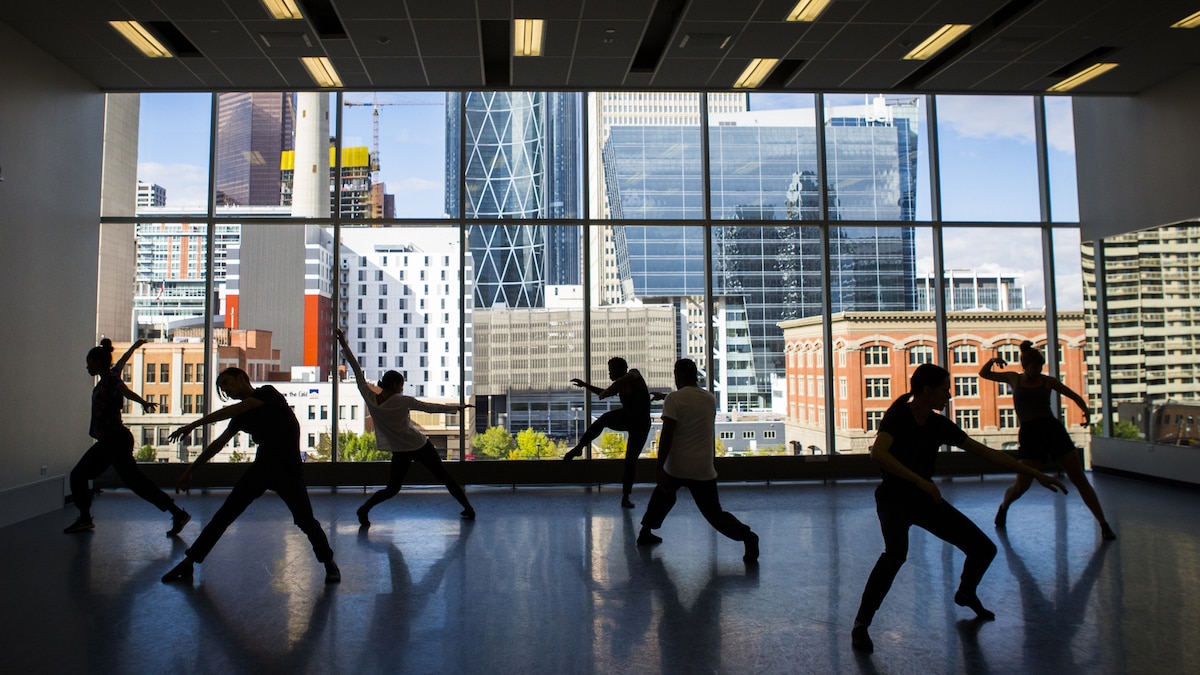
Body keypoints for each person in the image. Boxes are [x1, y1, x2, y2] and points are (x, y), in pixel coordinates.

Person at [850, 363, 1067, 654]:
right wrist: (920, 481)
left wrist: (1036, 474)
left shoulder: (939, 424)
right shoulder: (899, 414)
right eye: (944, 389)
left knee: (983, 548)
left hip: (926, 499)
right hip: (893, 498)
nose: (949, 395)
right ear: (927, 390)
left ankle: (965, 593)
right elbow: (878, 453)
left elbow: (986, 452)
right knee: (895, 555)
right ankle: (861, 625)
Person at [160, 367, 339, 584]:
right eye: (222, 388)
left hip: (288, 469)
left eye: (227, 383)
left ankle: (329, 563)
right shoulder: (241, 415)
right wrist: (190, 470)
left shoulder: (267, 393)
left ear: (242, 377)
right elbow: (218, 444)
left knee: (305, 520)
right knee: (225, 514)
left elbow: (238, 409)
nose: (226, 390)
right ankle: (189, 563)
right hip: (263, 467)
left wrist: (194, 424)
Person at [334, 329, 476, 527]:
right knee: (445, 477)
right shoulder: (402, 401)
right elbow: (430, 408)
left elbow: (356, 369)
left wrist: (344, 344)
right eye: (401, 385)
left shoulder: (369, 396)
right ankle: (468, 508)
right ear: (394, 385)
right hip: (419, 445)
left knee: (392, 489)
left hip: (399, 449)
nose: (402, 388)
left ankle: (364, 509)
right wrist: (456, 408)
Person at [980, 340, 1116, 541]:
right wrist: (992, 360)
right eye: (1033, 367)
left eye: (1039, 367)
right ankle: (1004, 507)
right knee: (1022, 485)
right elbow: (984, 374)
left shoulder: (1047, 382)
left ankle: (1103, 524)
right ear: (1024, 366)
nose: (1036, 371)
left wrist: (1085, 410)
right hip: (1030, 433)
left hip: (1052, 430)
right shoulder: (1014, 379)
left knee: (1078, 477)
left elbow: (1073, 395)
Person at [635, 358, 759, 563]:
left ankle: (645, 532)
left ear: (679, 375)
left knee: (662, 497)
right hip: (702, 467)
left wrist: (659, 467)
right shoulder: (709, 398)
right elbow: (691, 402)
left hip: (677, 465)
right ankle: (747, 536)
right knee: (714, 514)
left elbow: (666, 436)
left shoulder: (674, 400)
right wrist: (666, 398)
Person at [64, 338, 191, 535]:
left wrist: (143, 402)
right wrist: (134, 347)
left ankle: (85, 518)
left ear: (97, 363)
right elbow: (123, 359)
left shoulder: (111, 380)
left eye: (89, 361)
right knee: (136, 482)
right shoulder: (111, 374)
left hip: (113, 441)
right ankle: (177, 513)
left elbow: (126, 391)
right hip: (115, 440)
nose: (87, 366)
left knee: (78, 475)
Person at [563, 357, 662, 509]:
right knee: (603, 420)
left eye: (611, 370)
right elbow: (603, 393)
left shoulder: (634, 374)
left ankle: (625, 496)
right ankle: (579, 448)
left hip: (640, 424)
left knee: (630, 460)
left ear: (621, 369)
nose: (609, 373)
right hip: (629, 417)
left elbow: (624, 380)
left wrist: (611, 389)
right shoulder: (618, 386)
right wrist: (585, 385)